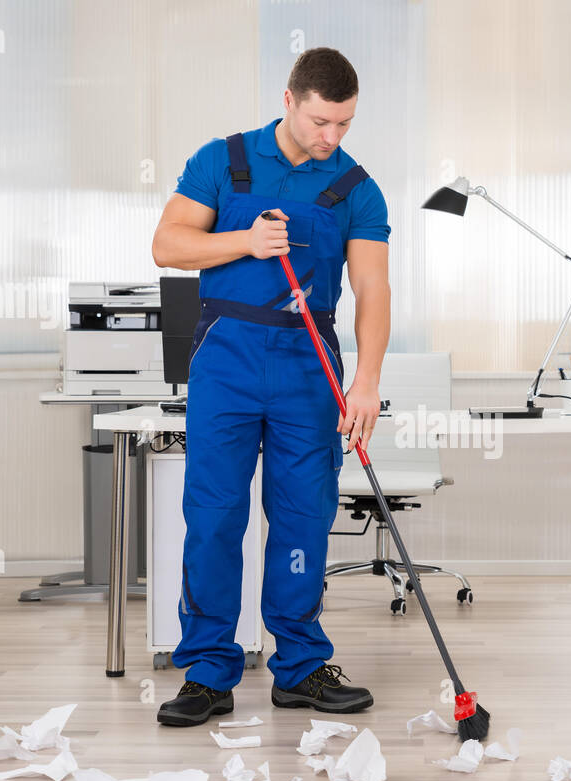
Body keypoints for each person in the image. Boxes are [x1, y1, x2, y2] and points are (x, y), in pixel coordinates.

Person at [150, 48, 390, 727]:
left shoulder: (356, 188)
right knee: (216, 513)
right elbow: (168, 245)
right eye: (321, 121)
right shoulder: (222, 162)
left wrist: (366, 380)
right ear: (289, 99)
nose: (332, 138)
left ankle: (302, 666)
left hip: (308, 367)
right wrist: (243, 241)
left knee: (302, 516)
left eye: (344, 124)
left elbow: (373, 286)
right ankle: (208, 670)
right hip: (226, 358)